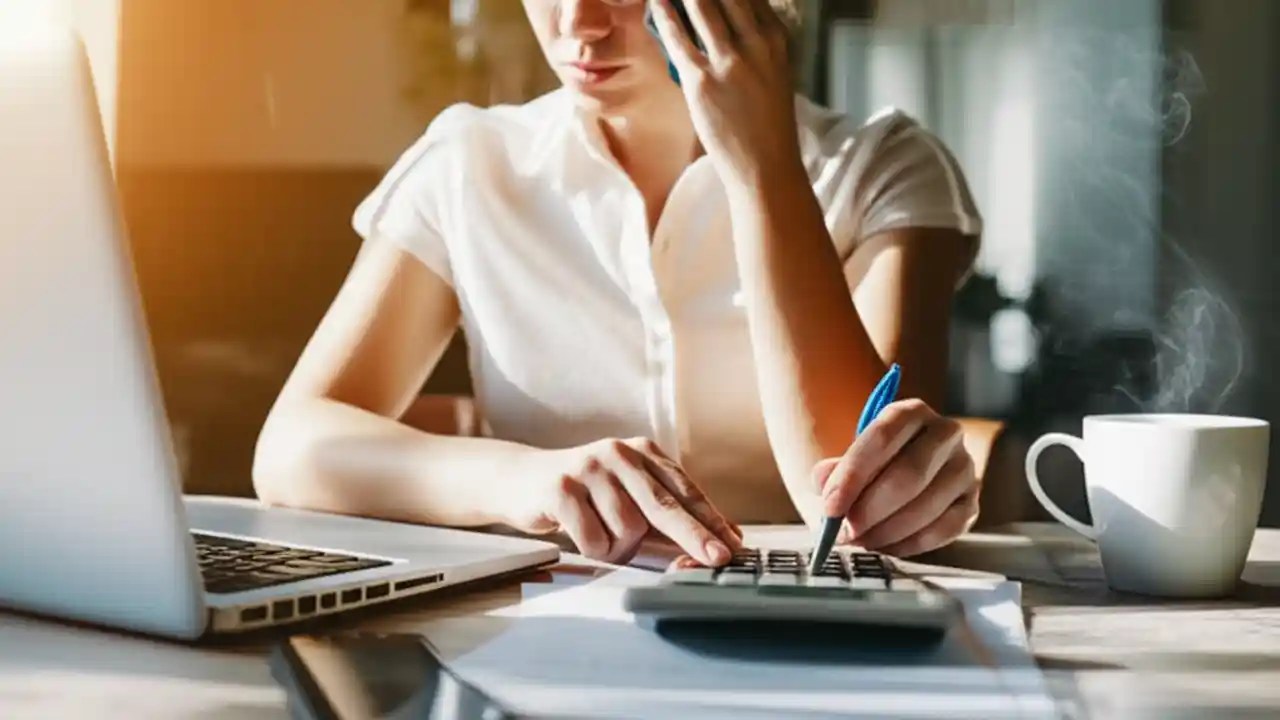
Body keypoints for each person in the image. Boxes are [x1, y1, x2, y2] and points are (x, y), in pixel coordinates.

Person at [253, 0, 983, 568]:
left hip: (810, 647)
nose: (579, 24)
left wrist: (761, 166)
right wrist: (529, 482)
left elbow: (856, 505)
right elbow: (292, 447)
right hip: (548, 644)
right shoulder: (471, 163)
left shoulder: (882, 170)